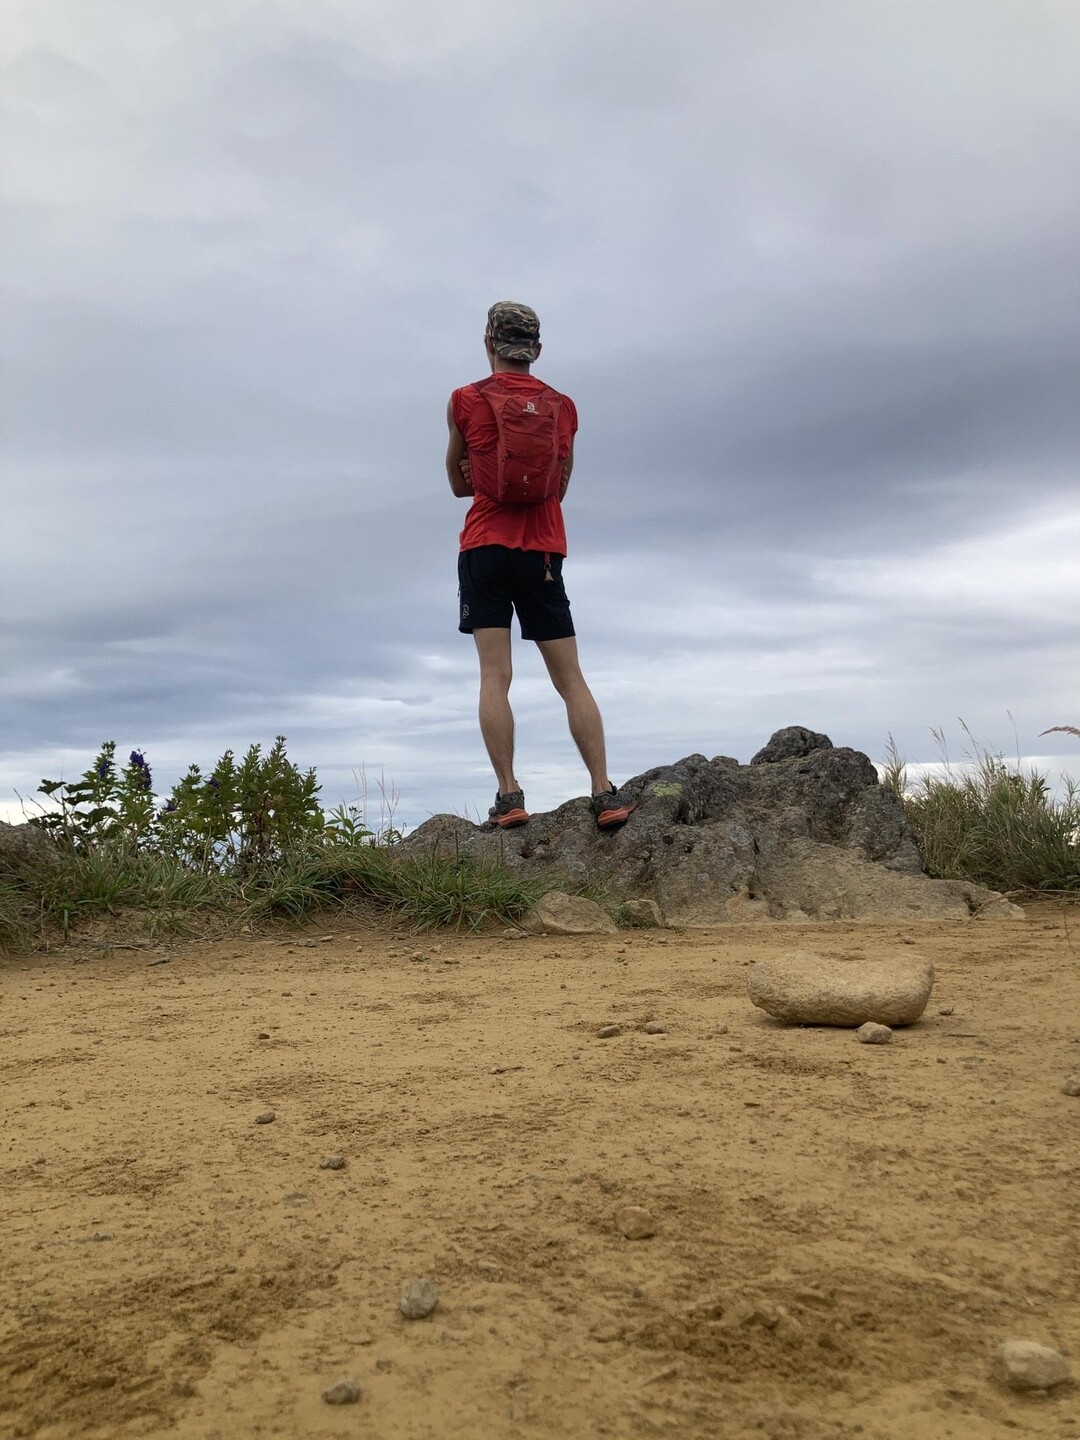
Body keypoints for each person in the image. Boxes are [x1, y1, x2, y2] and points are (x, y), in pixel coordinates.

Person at [446, 301, 633, 832]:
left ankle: (509, 796)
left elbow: (459, 484)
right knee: (570, 678)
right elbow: (559, 486)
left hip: (484, 546)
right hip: (544, 550)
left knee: (494, 674)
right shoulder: (563, 407)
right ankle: (603, 792)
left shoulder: (465, 400)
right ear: (537, 350)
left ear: (489, 343)